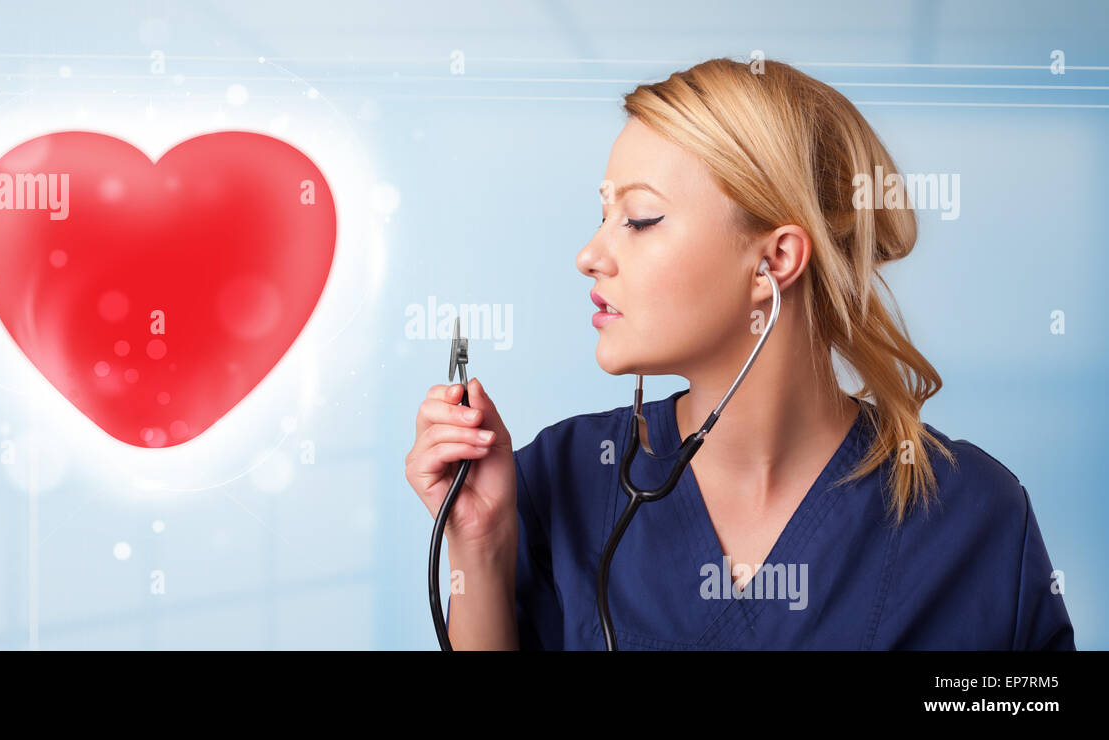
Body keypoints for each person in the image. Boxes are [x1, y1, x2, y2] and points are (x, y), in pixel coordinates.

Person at [404, 58, 1075, 650]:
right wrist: (481, 546)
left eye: (638, 219)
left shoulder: (974, 514)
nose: (590, 255)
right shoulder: (556, 479)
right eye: (603, 216)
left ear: (775, 260)